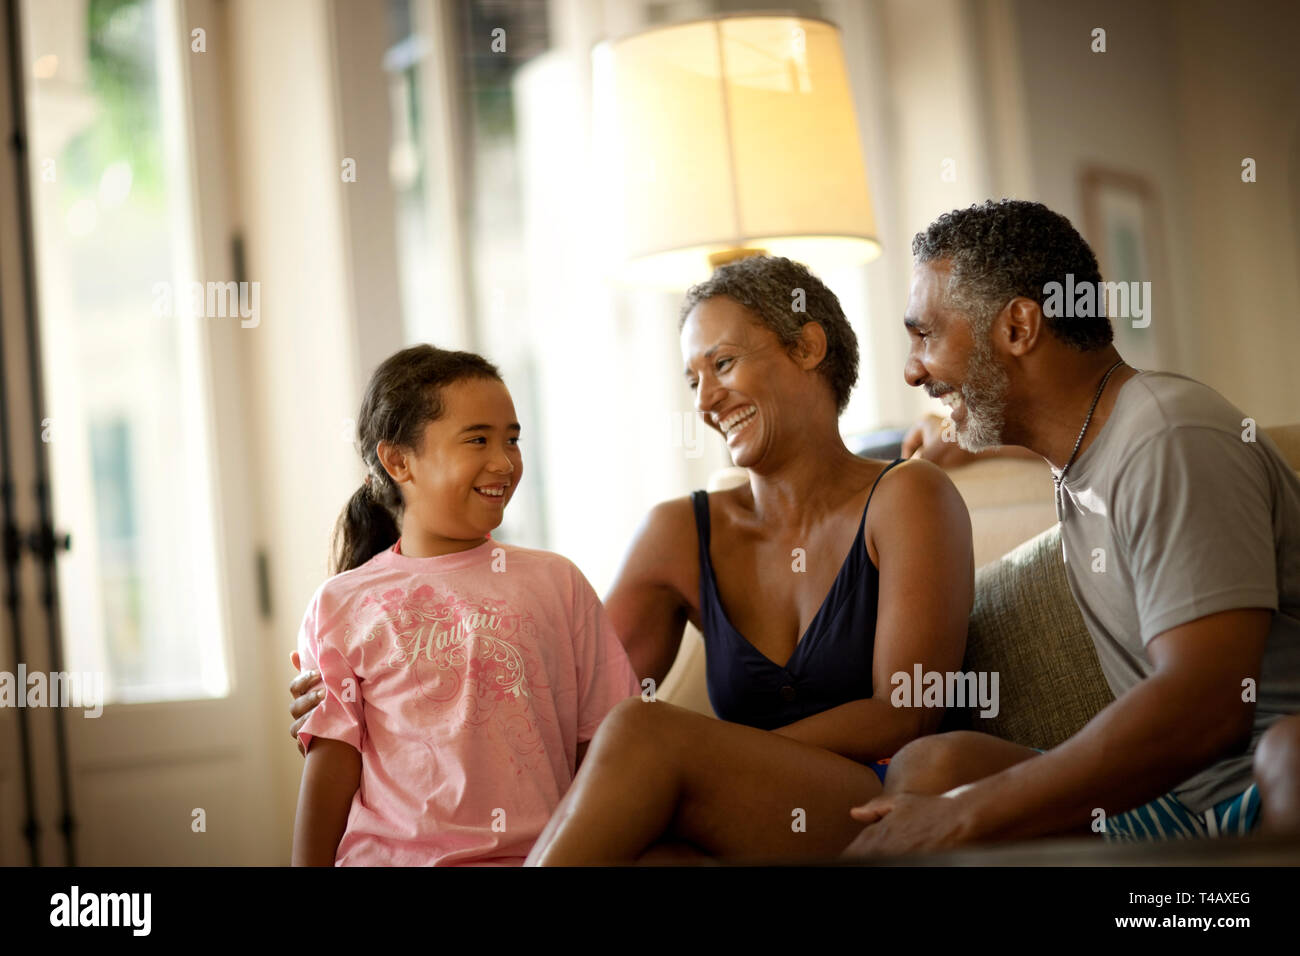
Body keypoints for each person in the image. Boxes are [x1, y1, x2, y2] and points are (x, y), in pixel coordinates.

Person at [292, 256, 974, 863]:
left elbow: (905, 712)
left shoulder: (908, 495)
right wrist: (367, 694)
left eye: (724, 364)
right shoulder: (681, 531)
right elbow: (565, 696)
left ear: (807, 345)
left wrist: (714, 757)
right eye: (692, 380)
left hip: (870, 795)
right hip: (727, 814)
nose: (706, 400)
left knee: (646, 736)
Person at [843, 199, 1300, 855]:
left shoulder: (1173, 439)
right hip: (1184, 802)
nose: (913, 369)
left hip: (1265, 786)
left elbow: (1209, 706)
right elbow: (1062, 434)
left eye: (926, 336)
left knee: (1293, 752)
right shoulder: (1084, 448)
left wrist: (963, 817)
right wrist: (966, 430)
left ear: (1020, 327)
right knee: (930, 768)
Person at [290, 345, 638, 866]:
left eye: (513, 439)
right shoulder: (341, 604)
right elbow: (330, 772)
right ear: (398, 460)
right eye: (478, 439)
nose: (504, 462)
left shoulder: (558, 582)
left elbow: (606, 748)